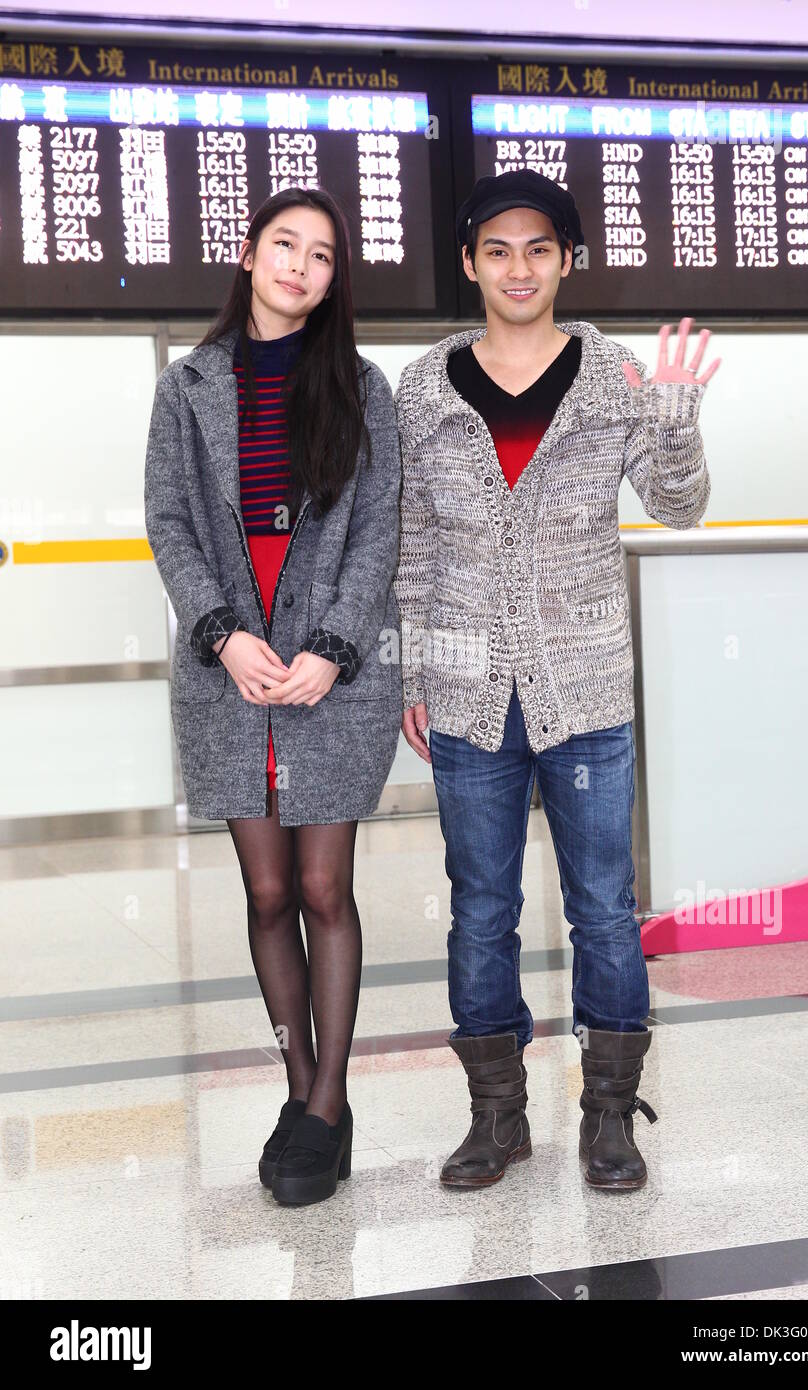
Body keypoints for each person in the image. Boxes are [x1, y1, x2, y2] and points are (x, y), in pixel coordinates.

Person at [393, 169, 721, 1193]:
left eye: (539, 247)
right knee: (479, 908)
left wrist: (673, 418)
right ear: (468, 264)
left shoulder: (614, 373)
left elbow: (677, 508)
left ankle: (609, 1116)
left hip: (583, 689)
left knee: (603, 910)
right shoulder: (423, 382)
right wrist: (414, 662)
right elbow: (410, 537)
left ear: (567, 261)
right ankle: (495, 1118)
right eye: (497, 248)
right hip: (464, 692)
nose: (518, 266)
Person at [144, 187, 404, 1207]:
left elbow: (378, 529)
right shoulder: (189, 385)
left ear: (334, 279)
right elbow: (167, 518)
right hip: (228, 672)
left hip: (330, 678)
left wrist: (334, 647)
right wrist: (221, 632)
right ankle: (297, 1087)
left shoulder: (361, 386)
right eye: (286, 245)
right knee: (264, 893)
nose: (301, 265)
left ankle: (331, 1101)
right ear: (249, 255)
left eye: (324, 255)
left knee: (323, 890)